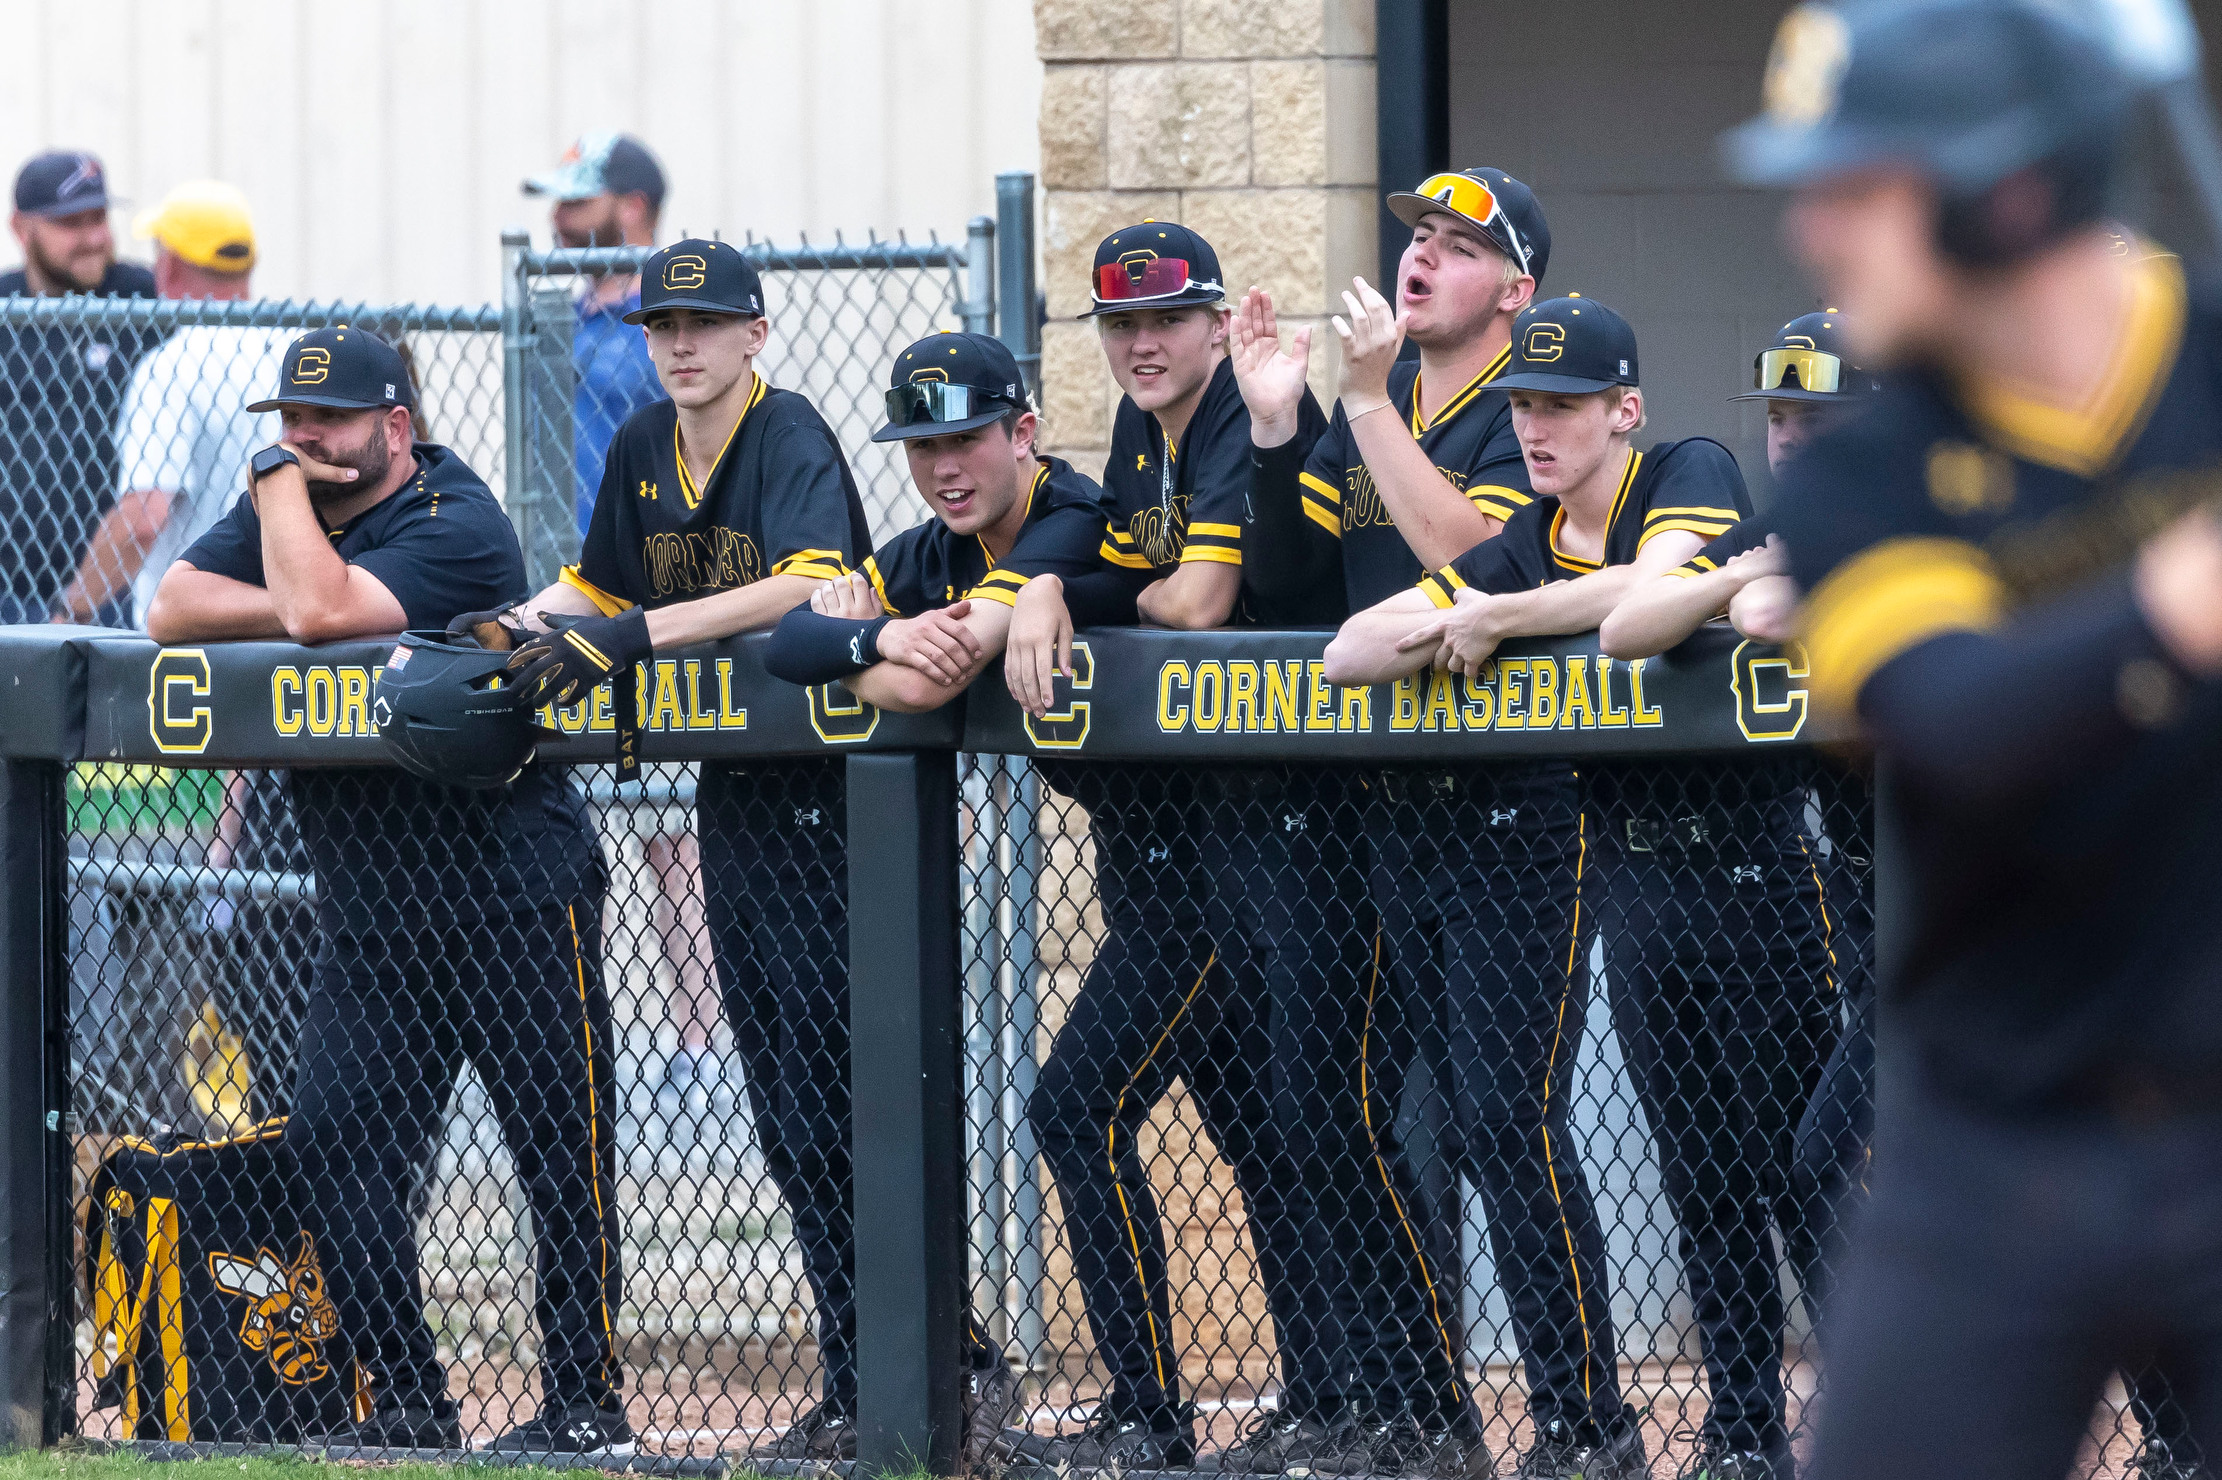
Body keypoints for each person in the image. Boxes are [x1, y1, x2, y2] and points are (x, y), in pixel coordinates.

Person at [1719, 1, 2222, 1477]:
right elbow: (1958, 723)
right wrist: (2168, 607)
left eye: (1854, 185)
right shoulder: (1854, 479)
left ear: (2011, 188)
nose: (1811, 232)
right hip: (1997, 1143)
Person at [1240, 172, 1657, 1480]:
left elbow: (1479, 551)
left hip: (1509, 806)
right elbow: (1287, 580)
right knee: (1330, 1112)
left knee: (1496, 1123)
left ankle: (1589, 1430)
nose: (1419, 257)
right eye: (1415, 236)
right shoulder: (1384, 398)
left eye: (1459, 246)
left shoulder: (1509, 416)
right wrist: (1271, 428)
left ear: (1514, 293)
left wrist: (1358, 404)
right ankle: (1421, 1418)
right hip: (1379, 814)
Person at [142, 326, 622, 1455]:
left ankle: (583, 1405)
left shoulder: (457, 520)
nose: (304, 441)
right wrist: (311, 578)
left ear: (395, 428)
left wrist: (296, 545)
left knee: (561, 1154)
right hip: (373, 910)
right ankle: (410, 1401)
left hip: (512, 890)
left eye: (332, 422)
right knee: (336, 1145)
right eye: (289, 425)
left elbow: (315, 616)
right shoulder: (294, 513)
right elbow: (171, 603)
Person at [1325, 295, 1750, 1480]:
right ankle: (1590, 1426)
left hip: (1747, 871)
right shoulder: (1523, 528)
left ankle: (1620, 1426)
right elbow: (1351, 649)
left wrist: (1497, 618)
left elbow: (1643, 598)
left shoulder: (1683, 465)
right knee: (1488, 1127)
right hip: (1629, 860)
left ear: (1623, 409)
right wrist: (1469, 608)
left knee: (1771, 1162)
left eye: (1560, 406)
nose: (1533, 426)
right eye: (1519, 405)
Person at [464, 239, 875, 1462]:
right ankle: (865, 1378)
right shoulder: (645, 443)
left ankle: (923, 1361)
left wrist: (638, 631)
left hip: (839, 797)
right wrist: (503, 631)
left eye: (703, 323)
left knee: (848, 1104)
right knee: (789, 1118)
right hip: (738, 800)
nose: (679, 343)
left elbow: (809, 582)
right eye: (660, 325)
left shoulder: (787, 431)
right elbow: (594, 588)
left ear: (755, 332)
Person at [993, 223, 1375, 1474]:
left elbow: (1198, 601)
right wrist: (1048, 589)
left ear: (1221, 322)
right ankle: (1312, 1400)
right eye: (1120, 324)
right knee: (1263, 1131)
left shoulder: (1236, 418)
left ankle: (1164, 1414)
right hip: (1184, 850)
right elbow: (1114, 563)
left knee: (1077, 1106)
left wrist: (1108, 593)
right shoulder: (1139, 429)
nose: (1141, 343)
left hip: (1265, 854)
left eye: (1164, 319)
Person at [523, 132, 717, 1116]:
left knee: (673, 828)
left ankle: (699, 1043)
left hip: (653, 603)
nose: (557, 223)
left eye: (578, 203)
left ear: (630, 207)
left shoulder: (664, 328)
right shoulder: (557, 319)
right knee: (580, 815)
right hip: (574, 592)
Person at [52, 180, 281, 627]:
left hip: (189, 630)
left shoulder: (170, 367)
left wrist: (71, 609)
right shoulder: (292, 350)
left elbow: (143, 516)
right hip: (283, 615)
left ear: (170, 267)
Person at [1, 149, 158, 623]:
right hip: (10, 590)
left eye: (99, 219)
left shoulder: (144, 300)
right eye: (71, 223)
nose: (94, 238)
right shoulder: (5, 308)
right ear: (22, 229)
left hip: (120, 591)